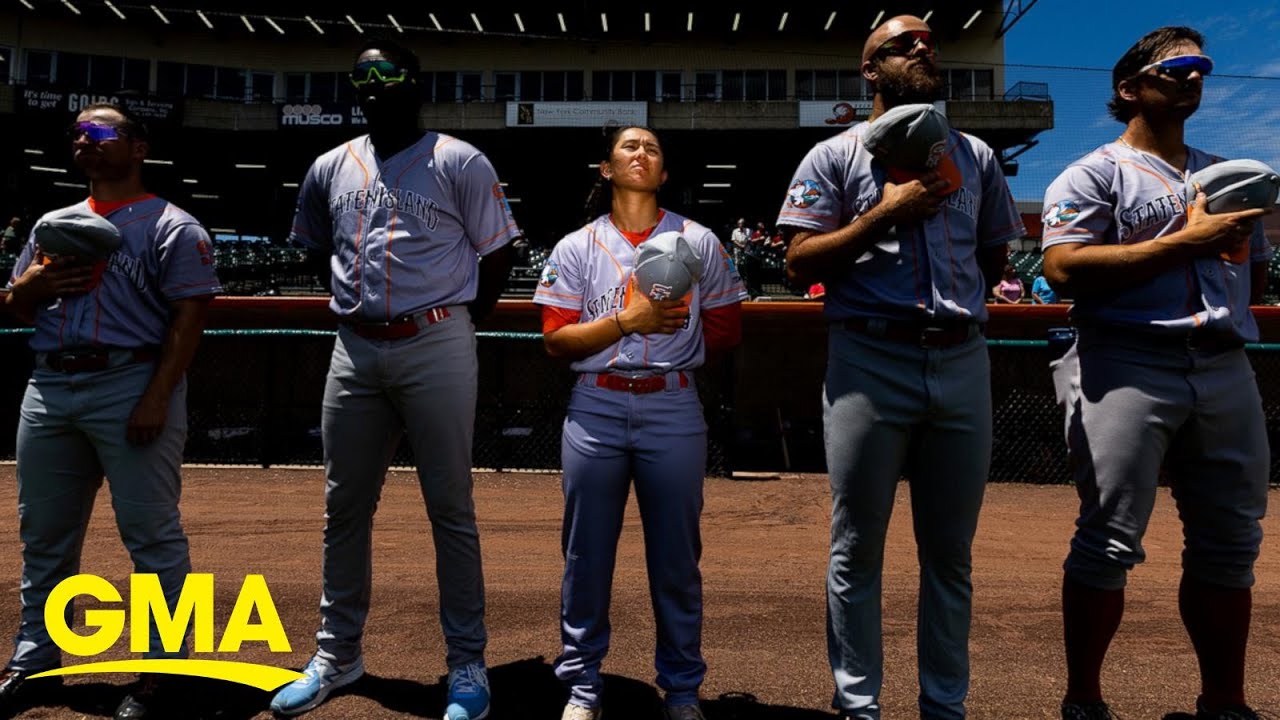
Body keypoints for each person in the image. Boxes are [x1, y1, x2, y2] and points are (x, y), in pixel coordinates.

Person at [776, 14, 1023, 720]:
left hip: (960, 355)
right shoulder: (834, 156)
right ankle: (860, 708)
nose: (923, 49)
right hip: (869, 355)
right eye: (902, 44)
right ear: (870, 69)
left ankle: (944, 708)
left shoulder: (973, 154)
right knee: (857, 548)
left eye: (927, 43)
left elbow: (996, 258)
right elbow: (796, 264)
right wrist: (884, 217)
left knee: (951, 555)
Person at [269, 39, 519, 720]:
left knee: (451, 508)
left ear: (415, 83)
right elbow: (322, 251)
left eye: (390, 73)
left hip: (435, 338)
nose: (376, 84)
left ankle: (467, 662)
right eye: (364, 75)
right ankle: (336, 654)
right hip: (354, 348)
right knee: (343, 508)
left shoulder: (459, 159)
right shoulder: (328, 165)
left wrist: (455, 322)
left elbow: (498, 255)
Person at [1041, 26, 1272, 720]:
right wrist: (1186, 242)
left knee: (1233, 542)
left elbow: (1250, 274)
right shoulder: (1094, 172)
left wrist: (1210, 250)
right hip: (1127, 361)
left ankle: (1224, 702)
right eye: (1179, 67)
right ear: (1130, 87)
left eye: (1203, 68)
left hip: (1225, 364)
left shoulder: (1230, 172)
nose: (1195, 77)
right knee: (1109, 538)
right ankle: (1084, 699)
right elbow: (1061, 271)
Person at [0, 102, 221, 719]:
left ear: (139, 147)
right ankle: (36, 657)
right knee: (43, 536)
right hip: (49, 385)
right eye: (77, 133)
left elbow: (189, 319)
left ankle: (165, 668)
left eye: (101, 132)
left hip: (130, 380)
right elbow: (16, 306)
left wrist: (156, 395)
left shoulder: (175, 226)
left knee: (152, 535)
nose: (85, 140)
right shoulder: (54, 222)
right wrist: (29, 289)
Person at [533, 125, 747, 720]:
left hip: (673, 405)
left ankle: (681, 687)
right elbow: (556, 341)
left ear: (664, 173)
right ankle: (581, 685)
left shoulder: (699, 240)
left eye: (652, 148)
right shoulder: (577, 246)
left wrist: (672, 335)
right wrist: (631, 323)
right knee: (585, 556)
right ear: (606, 168)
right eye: (629, 146)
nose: (641, 153)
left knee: (677, 560)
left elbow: (728, 330)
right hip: (596, 404)